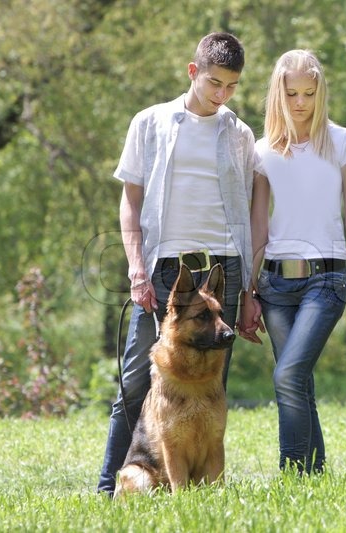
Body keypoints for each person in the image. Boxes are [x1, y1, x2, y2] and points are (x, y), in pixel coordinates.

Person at [97, 32, 263, 496]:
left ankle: (201, 497)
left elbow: (249, 214)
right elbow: (130, 201)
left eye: (231, 86)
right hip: (166, 270)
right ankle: (111, 488)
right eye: (214, 83)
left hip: (222, 270)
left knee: (212, 386)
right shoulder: (149, 123)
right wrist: (136, 269)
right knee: (134, 381)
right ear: (193, 72)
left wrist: (249, 290)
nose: (222, 95)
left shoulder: (240, 134)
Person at [239, 49, 346, 474]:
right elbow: (258, 225)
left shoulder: (343, 142)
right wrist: (249, 290)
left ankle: (292, 474)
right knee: (296, 381)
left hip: (327, 279)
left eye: (309, 93)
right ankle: (314, 477)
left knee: (286, 377)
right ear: (278, 94)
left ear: (321, 92)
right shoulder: (261, 152)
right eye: (292, 93)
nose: (300, 102)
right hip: (275, 286)